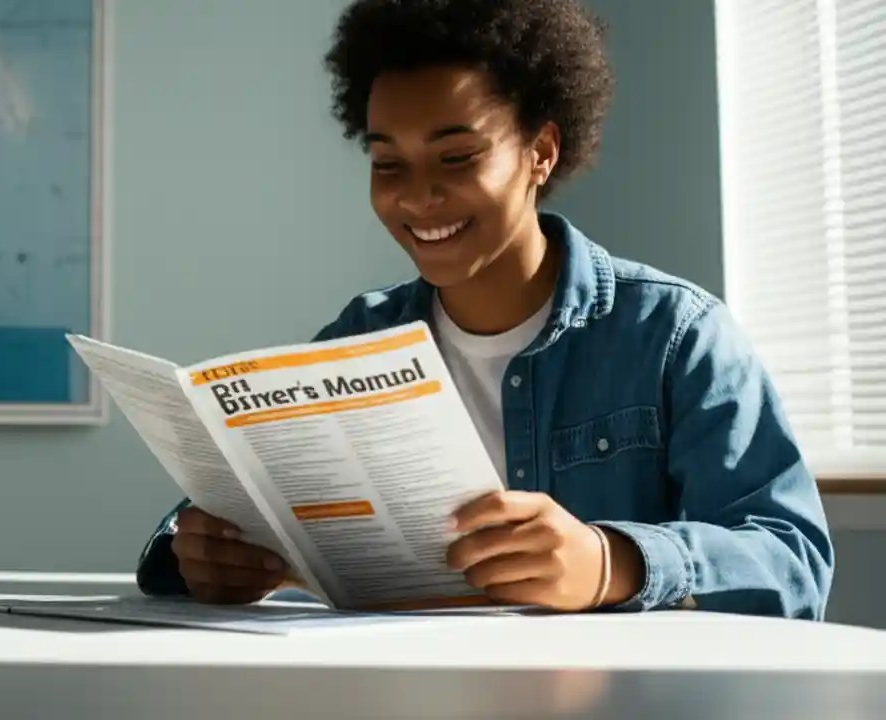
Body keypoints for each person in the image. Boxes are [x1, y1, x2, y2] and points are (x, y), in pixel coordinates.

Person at [133, 0, 834, 618]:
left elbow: (793, 561)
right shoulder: (359, 337)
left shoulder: (676, 337)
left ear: (540, 152)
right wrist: (200, 555)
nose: (416, 198)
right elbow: (224, 512)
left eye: (457, 158)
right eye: (388, 165)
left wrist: (609, 563)